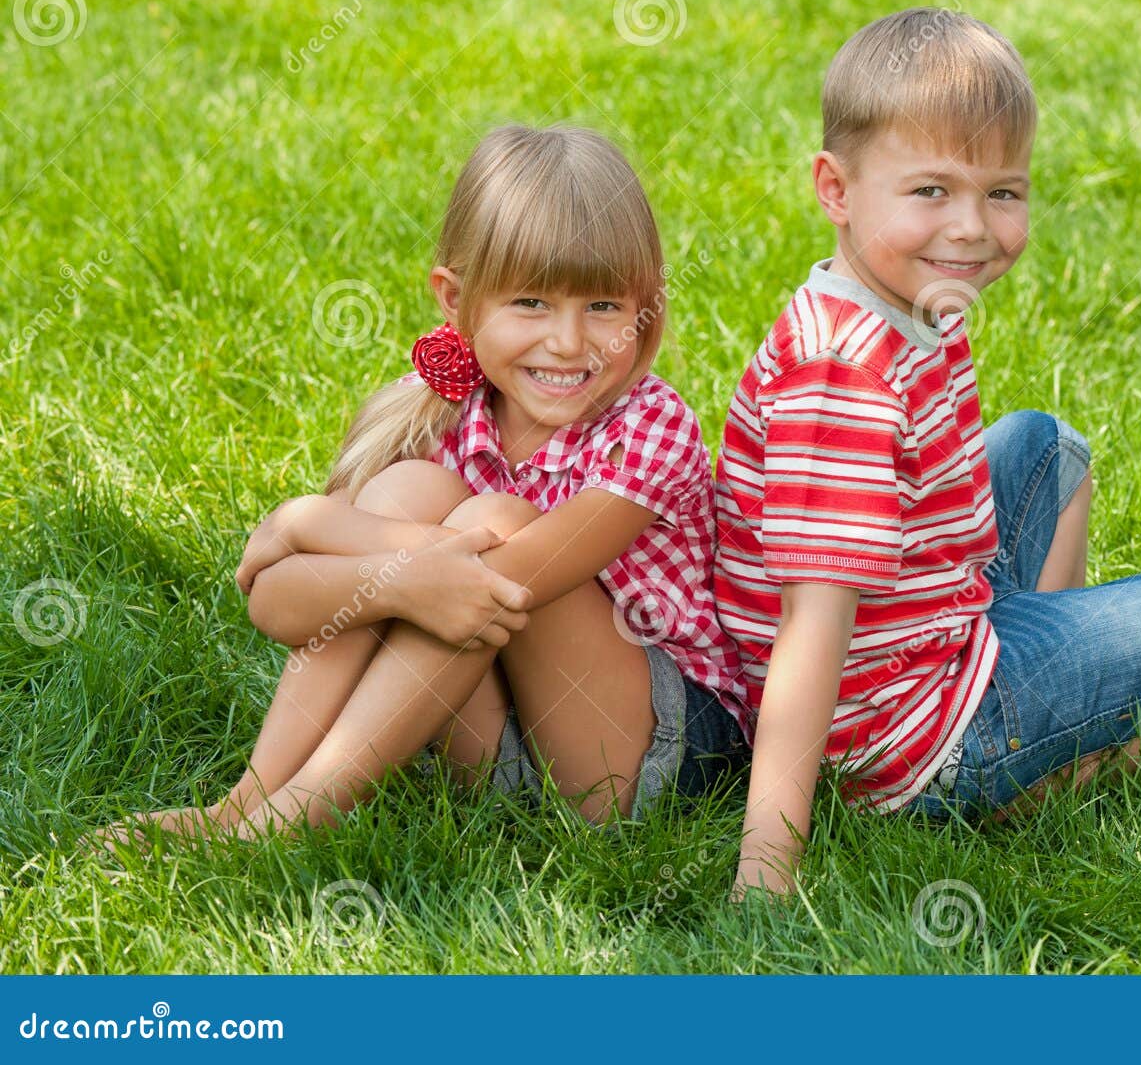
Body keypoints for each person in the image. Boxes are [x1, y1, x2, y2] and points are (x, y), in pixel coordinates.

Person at [713, 9, 1141, 898]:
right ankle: (1010, 770)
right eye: (931, 192)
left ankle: (1037, 705)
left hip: (925, 633)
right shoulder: (842, 375)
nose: (973, 227)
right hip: (897, 730)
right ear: (835, 187)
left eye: (1003, 192)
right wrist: (766, 873)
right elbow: (812, 622)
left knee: (1047, 446)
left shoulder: (908, 303)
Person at [98, 124, 749, 847]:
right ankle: (246, 801)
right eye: (530, 303)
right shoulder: (438, 409)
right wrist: (388, 573)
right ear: (455, 298)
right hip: (497, 751)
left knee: (498, 521)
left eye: (602, 306)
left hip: (648, 757)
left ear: (644, 307)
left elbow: (496, 587)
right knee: (410, 490)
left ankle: (296, 818)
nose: (568, 342)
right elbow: (278, 605)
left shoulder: (652, 426)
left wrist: (305, 526)